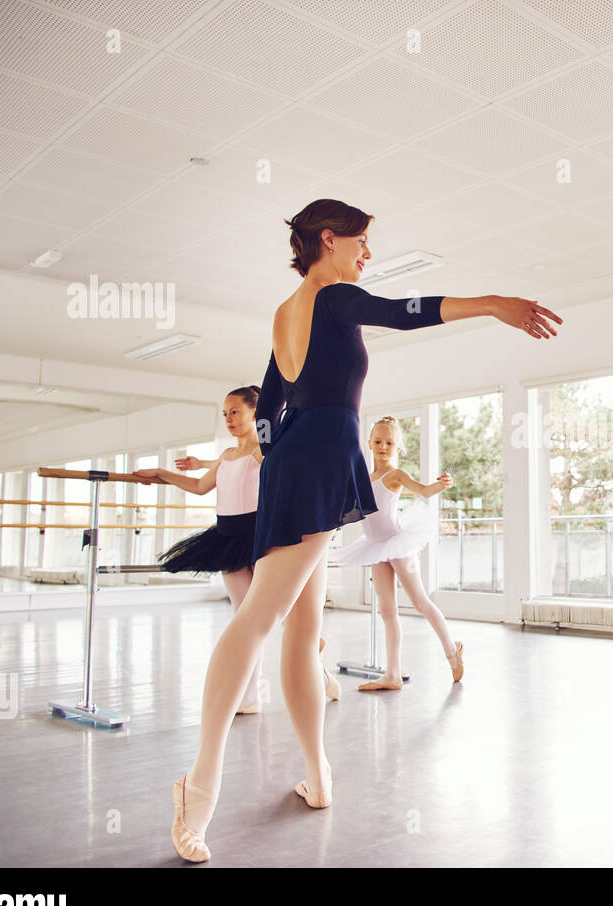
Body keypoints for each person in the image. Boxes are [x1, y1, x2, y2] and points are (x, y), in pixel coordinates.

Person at [170, 198, 562, 862]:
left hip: (305, 464)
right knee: (261, 618)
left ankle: (318, 775)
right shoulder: (332, 297)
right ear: (330, 239)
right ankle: (198, 786)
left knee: (301, 629)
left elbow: (266, 408)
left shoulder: (286, 312)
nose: (367, 255)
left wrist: (275, 454)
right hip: (318, 465)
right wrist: (494, 301)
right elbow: (405, 312)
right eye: (362, 243)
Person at [143, 392, 340, 715]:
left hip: (261, 536)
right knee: (244, 619)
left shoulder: (265, 452)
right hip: (226, 537)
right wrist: (160, 474)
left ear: (254, 414)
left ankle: (318, 673)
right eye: (224, 414)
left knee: (282, 619)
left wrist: (268, 428)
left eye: (235, 412)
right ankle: (251, 695)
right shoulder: (227, 454)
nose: (229, 419)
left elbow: (283, 467)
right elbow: (199, 487)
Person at [330, 415, 462, 690]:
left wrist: (443, 483)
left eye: (389, 442)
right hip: (376, 548)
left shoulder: (395, 475)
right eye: (377, 441)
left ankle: (452, 653)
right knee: (388, 612)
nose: (382, 446)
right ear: (368, 443)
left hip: (398, 545)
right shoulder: (364, 478)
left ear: (398, 447)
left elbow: (424, 490)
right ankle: (392, 675)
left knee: (420, 602)